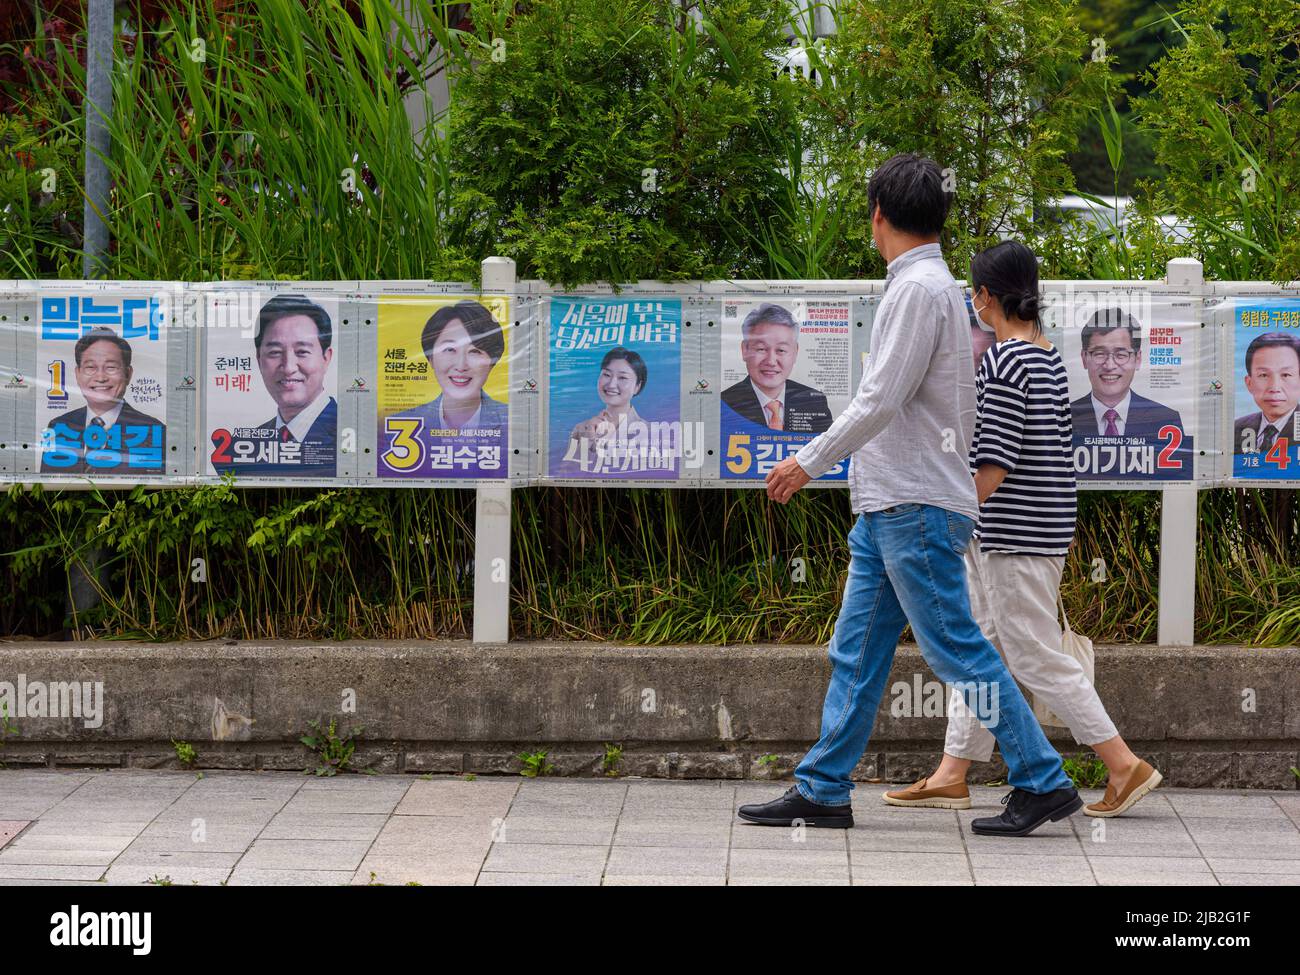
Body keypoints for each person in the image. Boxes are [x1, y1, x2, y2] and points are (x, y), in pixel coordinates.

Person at [737, 153, 1082, 836]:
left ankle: (1042, 777)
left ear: (878, 218)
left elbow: (880, 398)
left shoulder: (918, 290)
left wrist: (806, 461)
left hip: (915, 503)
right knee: (857, 649)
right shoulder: (932, 287)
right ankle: (824, 784)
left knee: (957, 646)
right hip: (891, 503)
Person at [882, 240, 1162, 819]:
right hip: (1028, 528)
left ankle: (1121, 763)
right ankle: (953, 771)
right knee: (982, 647)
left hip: (1015, 533)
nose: (970, 305)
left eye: (972, 295)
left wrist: (954, 517)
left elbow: (995, 460)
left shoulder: (1007, 361)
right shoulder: (1048, 357)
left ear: (985, 297)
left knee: (1034, 655)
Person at [212, 295, 338, 476]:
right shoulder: (246, 447)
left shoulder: (350, 433)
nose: (288, 367)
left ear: (326, 358)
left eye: (302, 352)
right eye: (275, 352)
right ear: (258, 359)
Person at [40, 328, 166, 475]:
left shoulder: (155, 431)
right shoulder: (57, 426)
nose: (100, 377)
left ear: (128, 374)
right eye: (90, 367)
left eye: (111, 367)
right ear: (78, 373)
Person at [397, 301, 507, 434]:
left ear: (492, 362)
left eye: (475, 351)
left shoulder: (512, 420)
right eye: (449, 349)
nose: (461, 366)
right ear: (431, 358)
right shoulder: (401, 424)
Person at [720, 303, 833, 433]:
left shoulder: (814, 402)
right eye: (761, 349)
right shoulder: (724, 404)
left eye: (781, 350)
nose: (771, 361)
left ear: (795, 352)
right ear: (745, 350)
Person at [1071, 309, 1184, 439]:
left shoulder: (1165, 420)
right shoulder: (1064, 417)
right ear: (1084, 358)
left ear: (1138, 359)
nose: (1110, 365)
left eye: (1121, 355)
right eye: (1099, 354)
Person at [1234, 331, 1300, 455]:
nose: (1274, 387)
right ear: (1249, 383)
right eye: (1263, 375)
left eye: (1286, 375)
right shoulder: (1236, 429)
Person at [570, 347, 650, 445]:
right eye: (607, 375)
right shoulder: (581, 429)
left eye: (622, 377)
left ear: (637, 386)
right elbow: (567, 460)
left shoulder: (650, 433)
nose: (611, 384)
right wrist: (588, 438)